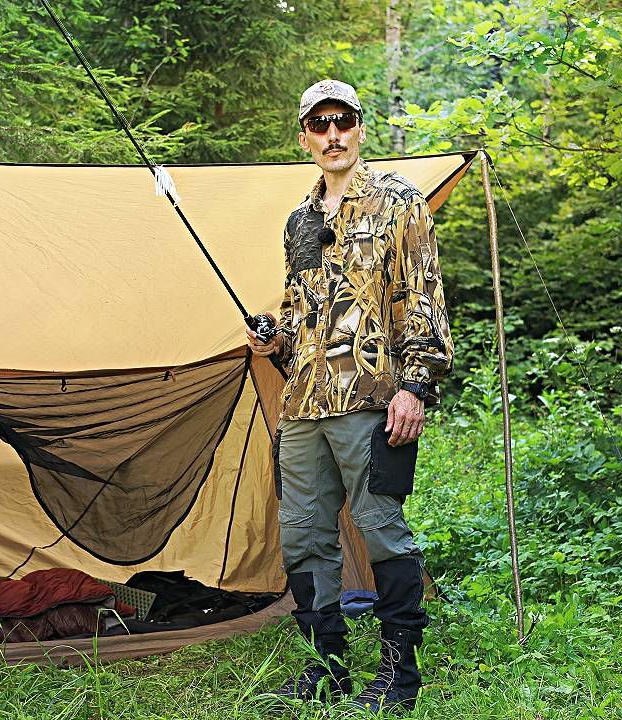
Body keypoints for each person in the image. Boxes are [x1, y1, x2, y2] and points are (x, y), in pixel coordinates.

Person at [247, 79, 453, 714]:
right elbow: (299, 308)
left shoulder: (398, 202)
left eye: (343, 122)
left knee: (381, 531)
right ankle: (326, 667)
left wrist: (415, 385)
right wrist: (271, 335)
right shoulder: (299, 219)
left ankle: (399, 673)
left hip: (371, 395)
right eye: (319, 125)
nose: (332, 135)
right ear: (304, 136)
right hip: (304, 403)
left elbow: (421, 297)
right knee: (304, 535)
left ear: (359, 128)